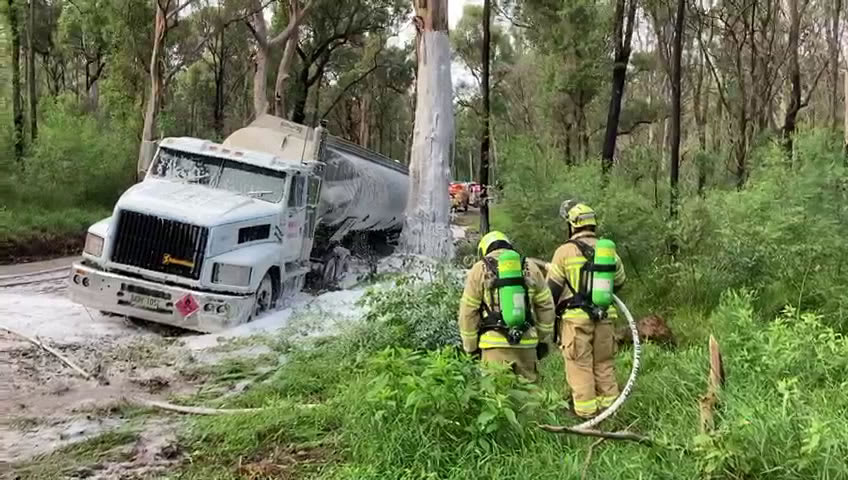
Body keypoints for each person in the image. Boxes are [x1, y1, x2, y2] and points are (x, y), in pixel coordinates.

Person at [546, 201, 626, 418]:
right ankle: (610, 413)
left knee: (580, 368)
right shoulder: (608, 252)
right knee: (604, 365)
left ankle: (587, 418)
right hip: (605, 318)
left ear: (572, 225)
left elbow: (551, 291)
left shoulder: (564, 252)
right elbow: (619, 282)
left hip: (576, 322)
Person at [458, 231, 556, 382]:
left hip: (493, 346)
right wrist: (541, 339)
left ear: (484, 250)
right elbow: (546, 306)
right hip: (527, 344)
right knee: (529, 398)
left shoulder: (479, 269)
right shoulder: (530, 267)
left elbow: (468, 313)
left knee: (497, 398)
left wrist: (470, 348)